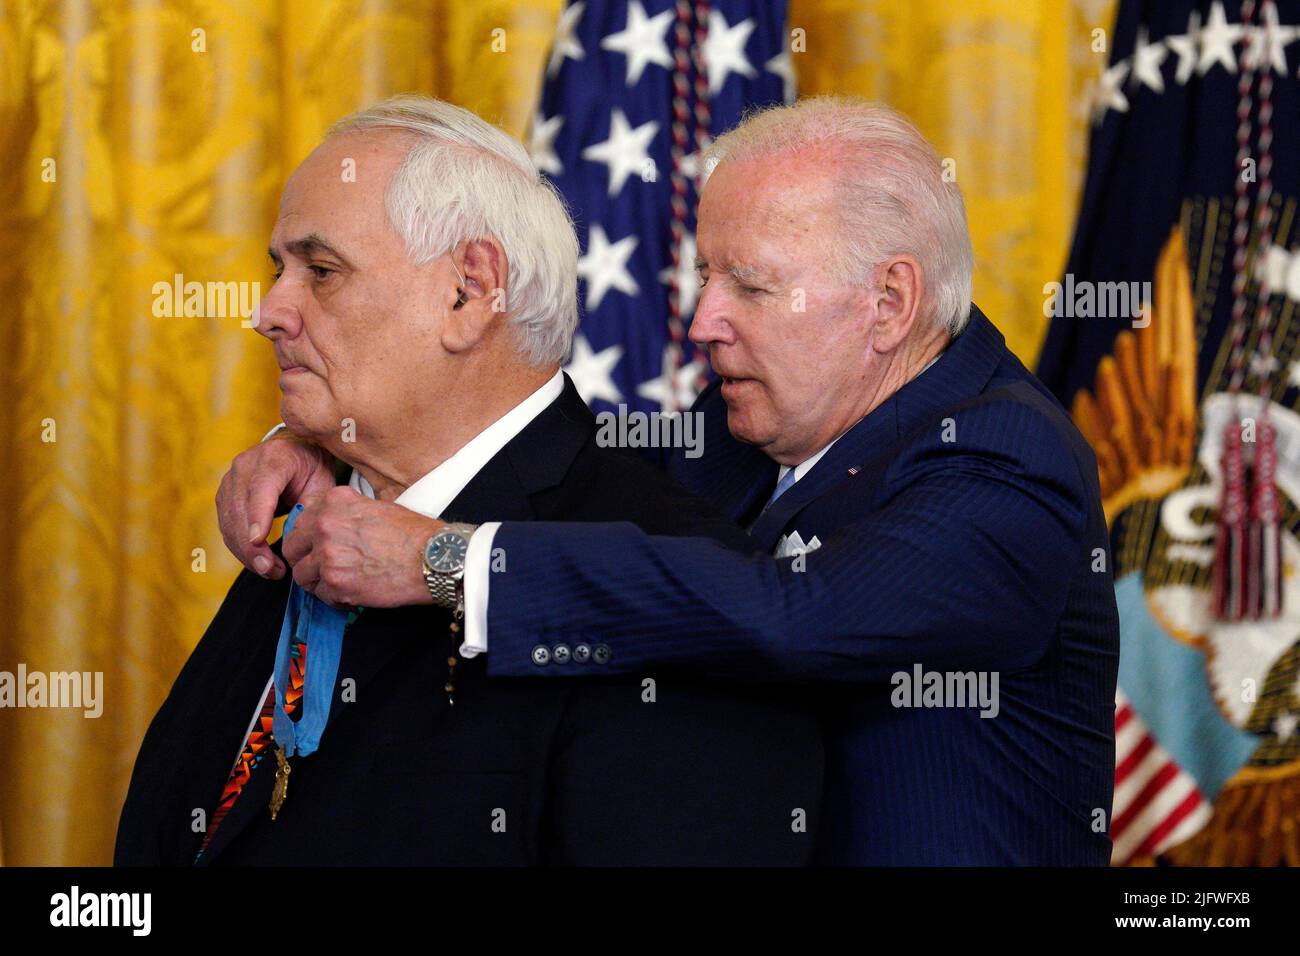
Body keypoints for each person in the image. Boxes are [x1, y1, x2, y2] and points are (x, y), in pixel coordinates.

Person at [217, 97, 1121, 865]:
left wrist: (448, 565)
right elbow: (555, 459)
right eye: (704, 277)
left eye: (752, 289)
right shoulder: (756, 421)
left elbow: (796, 615)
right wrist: (329, 440)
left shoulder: (1007, 457)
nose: (704, 323)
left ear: (889, 302)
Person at [115, 95, 822, 867]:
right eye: (278, 270)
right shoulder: (307, 510)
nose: (267, 312)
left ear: (469, 289)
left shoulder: (670, 594)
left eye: (321, 271)